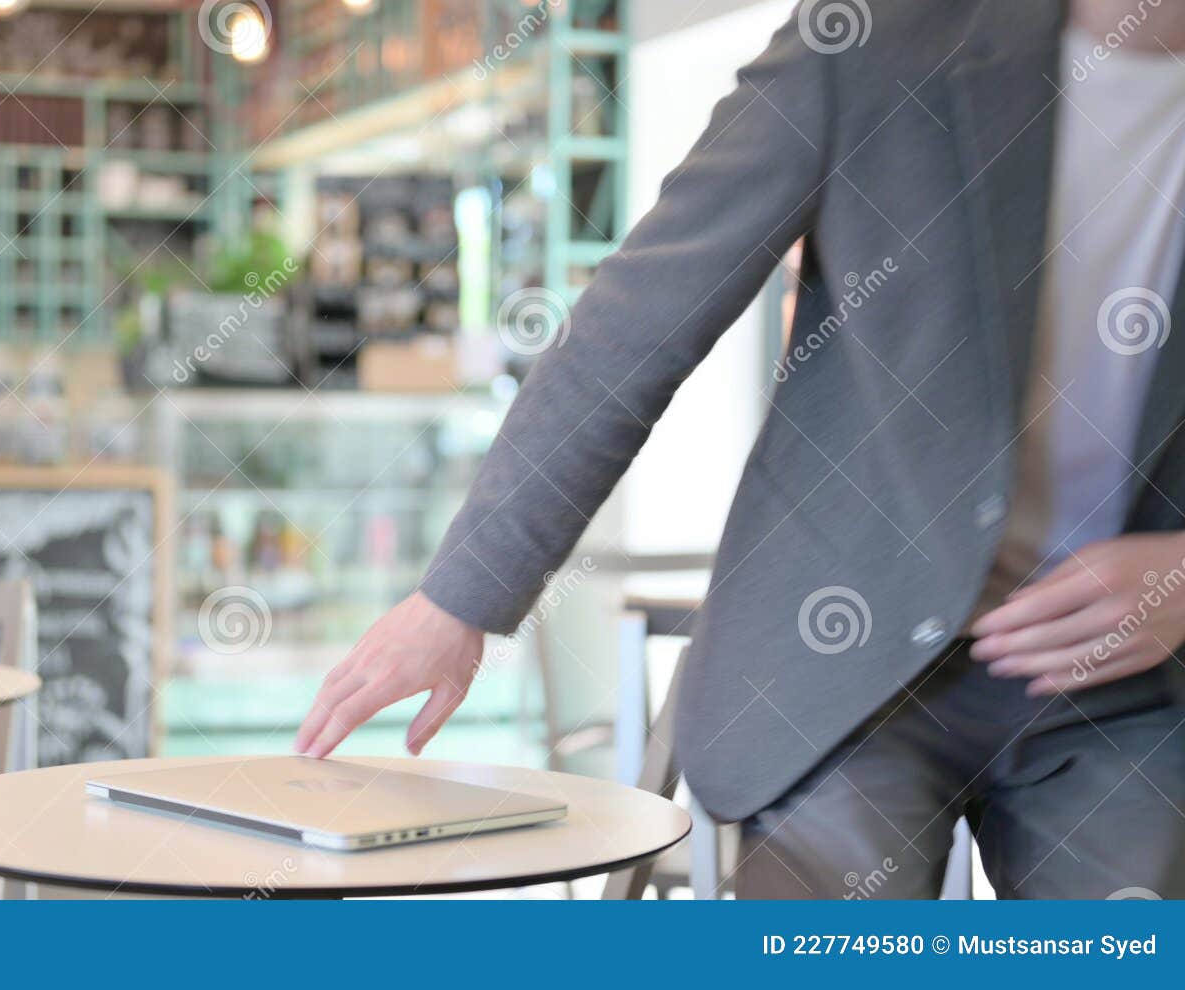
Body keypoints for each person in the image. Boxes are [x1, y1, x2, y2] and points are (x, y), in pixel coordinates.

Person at [296, 0, 1185, 898]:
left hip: (1127, 682)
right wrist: (462, 598)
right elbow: (641, 320)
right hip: (844, 659)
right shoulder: (876, 34)